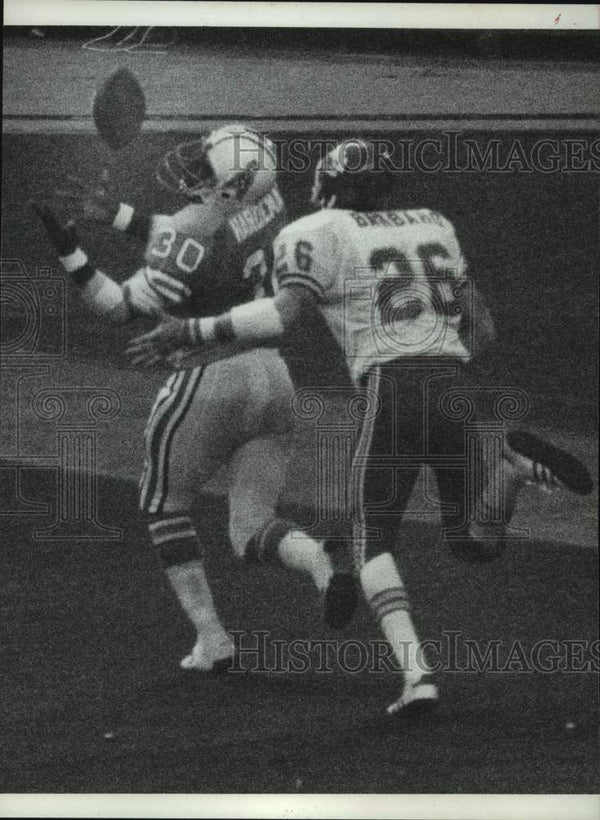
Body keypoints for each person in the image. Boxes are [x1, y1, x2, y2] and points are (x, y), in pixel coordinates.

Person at [126, 138, 593, 715]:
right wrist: (435, 368)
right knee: (472, 541)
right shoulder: (434, 223)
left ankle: (417, 676)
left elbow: (281, 315)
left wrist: (190, 331)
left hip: (392, 388)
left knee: (371, 545)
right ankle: (515, 469)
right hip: (451, 383)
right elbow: (484, 330)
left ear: (331, 186)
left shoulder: (316, 230)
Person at [32, 125, 357, 676]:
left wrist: (69, 250)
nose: (196, 171)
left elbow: (119, 306)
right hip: (273, 376)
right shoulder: (268, 200)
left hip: (208, 377)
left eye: (207, 167)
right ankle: (321, 561)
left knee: (163, 504)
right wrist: (119, 216)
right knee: (250, 528)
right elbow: (198, 239)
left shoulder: (188, 230)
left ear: (232, 182)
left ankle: (212, 638)